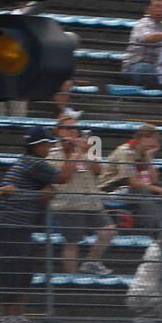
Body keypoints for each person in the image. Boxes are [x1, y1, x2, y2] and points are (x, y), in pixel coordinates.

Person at [0, 127, 74, 322]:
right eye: (46, 145)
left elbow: (48, 191)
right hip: (10, 227)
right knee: (13, 270)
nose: (48, 148)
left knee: (25, 270)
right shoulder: (34, 163)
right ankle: (8, 315)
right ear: (36, 146)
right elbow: (63, 177)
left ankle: (16, 314)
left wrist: (46, 190)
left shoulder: (30, 162)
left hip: (18, 226)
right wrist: (69, 153)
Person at [50, 114, 114, 276]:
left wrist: (88, 152)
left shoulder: (86, 148)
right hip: (69, 203)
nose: (73, 131)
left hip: (92, 201)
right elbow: (63, 176)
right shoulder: (52, 151)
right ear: (58, 131)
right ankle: (72, 278)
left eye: (75, 128)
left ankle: (91, 262)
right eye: (68, 128)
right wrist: (76, 152)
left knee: (108, 230)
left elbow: (99, 171)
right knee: (73, 242)